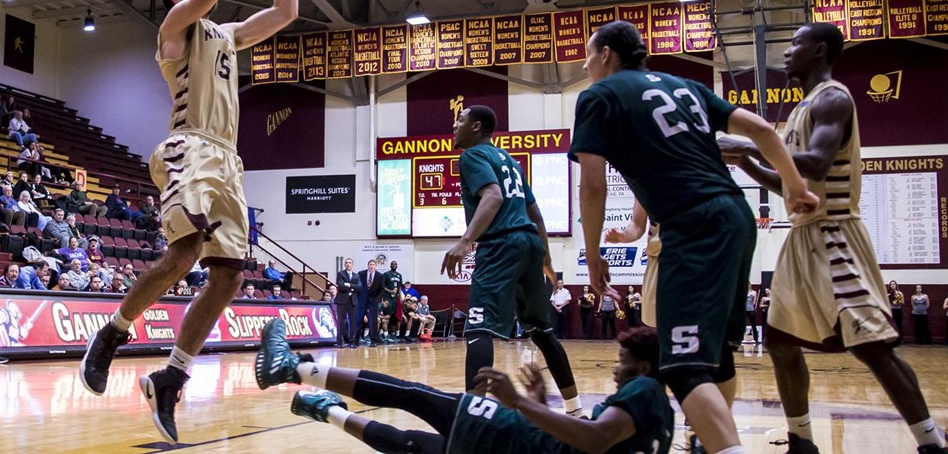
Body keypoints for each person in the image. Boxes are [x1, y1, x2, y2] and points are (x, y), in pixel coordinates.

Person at [78, 0, 298, 445]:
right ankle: (113, 332)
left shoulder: (225, 35)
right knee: (183, 253)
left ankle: (172, 376)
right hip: (188, 148)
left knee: (229, 275)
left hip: (226, 157)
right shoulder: (174, 28)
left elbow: (285, 12)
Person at [571, 20, 818, 454]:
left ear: (606, 54)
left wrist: (593, 255)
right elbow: (760, 130)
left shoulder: (598, 96)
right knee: (716, 356)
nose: (587, 65)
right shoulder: (683, 86)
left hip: (693, 226)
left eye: (589, 56)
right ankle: (707, 441)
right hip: (736, 216)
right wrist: (794, 186)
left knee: (680, 364)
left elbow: (592, 185)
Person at [719, 23, 946, 454]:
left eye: (795, 44)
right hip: (801, 236)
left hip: (834, 230)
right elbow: (788, 180)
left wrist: (750, 144)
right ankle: (801, 441)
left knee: (874, 347)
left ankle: (931, 443)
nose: (786, 52)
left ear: (819, 51)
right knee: (780, 342)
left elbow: (818, 164)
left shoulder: (834, 99)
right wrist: (745, 161)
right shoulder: (802, 108)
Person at [256, 318, 673, 454]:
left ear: (644, 365)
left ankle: (291, 368)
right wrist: (539, 404)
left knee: (410, 394)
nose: (616, 371)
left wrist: (521, 406)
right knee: (408, 445)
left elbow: (597, 438)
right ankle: (325, 410)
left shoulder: (646, 389)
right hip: (514, 445)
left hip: (503, 432)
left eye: (622, 362)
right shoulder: (663, 421)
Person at [444, 105, 582, 414]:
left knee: (477, 328)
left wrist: (465, 241)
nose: (454, 125)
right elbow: (535, 214)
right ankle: (575, 409)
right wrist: (545, 259)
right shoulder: (509, 160)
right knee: (541, 331)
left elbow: (492, 196)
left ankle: (474, 416)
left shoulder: (472, 156)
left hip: (500, 243)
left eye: (461, 120)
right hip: (529, 242)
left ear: (477, 127)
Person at [356, 260, 384, 345]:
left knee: (373, 321)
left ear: (376, 266)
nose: (371, 266)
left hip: (373, 300)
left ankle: (373, 340)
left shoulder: (380, 276)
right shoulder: (361, 274)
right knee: (358, 319)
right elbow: (358, 286)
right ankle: (355, 340)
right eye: (370, 265)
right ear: (367, 265)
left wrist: (378, 300)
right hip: (362, 300)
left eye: (373, 265)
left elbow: (382, 289)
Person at [335, 258, 361, 348]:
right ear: (344, 265)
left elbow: (359, 287)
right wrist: (353, 287)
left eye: (350, 262)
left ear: (352, 264)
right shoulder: (341, 274)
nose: (348, 264)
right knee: (341, 322)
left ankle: (352, 342)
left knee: (352, 322)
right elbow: (341, 286)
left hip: (352, 301)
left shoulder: (356, 276)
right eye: (346, 263)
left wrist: (349, 285)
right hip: (342, 301)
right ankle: (339, 342)